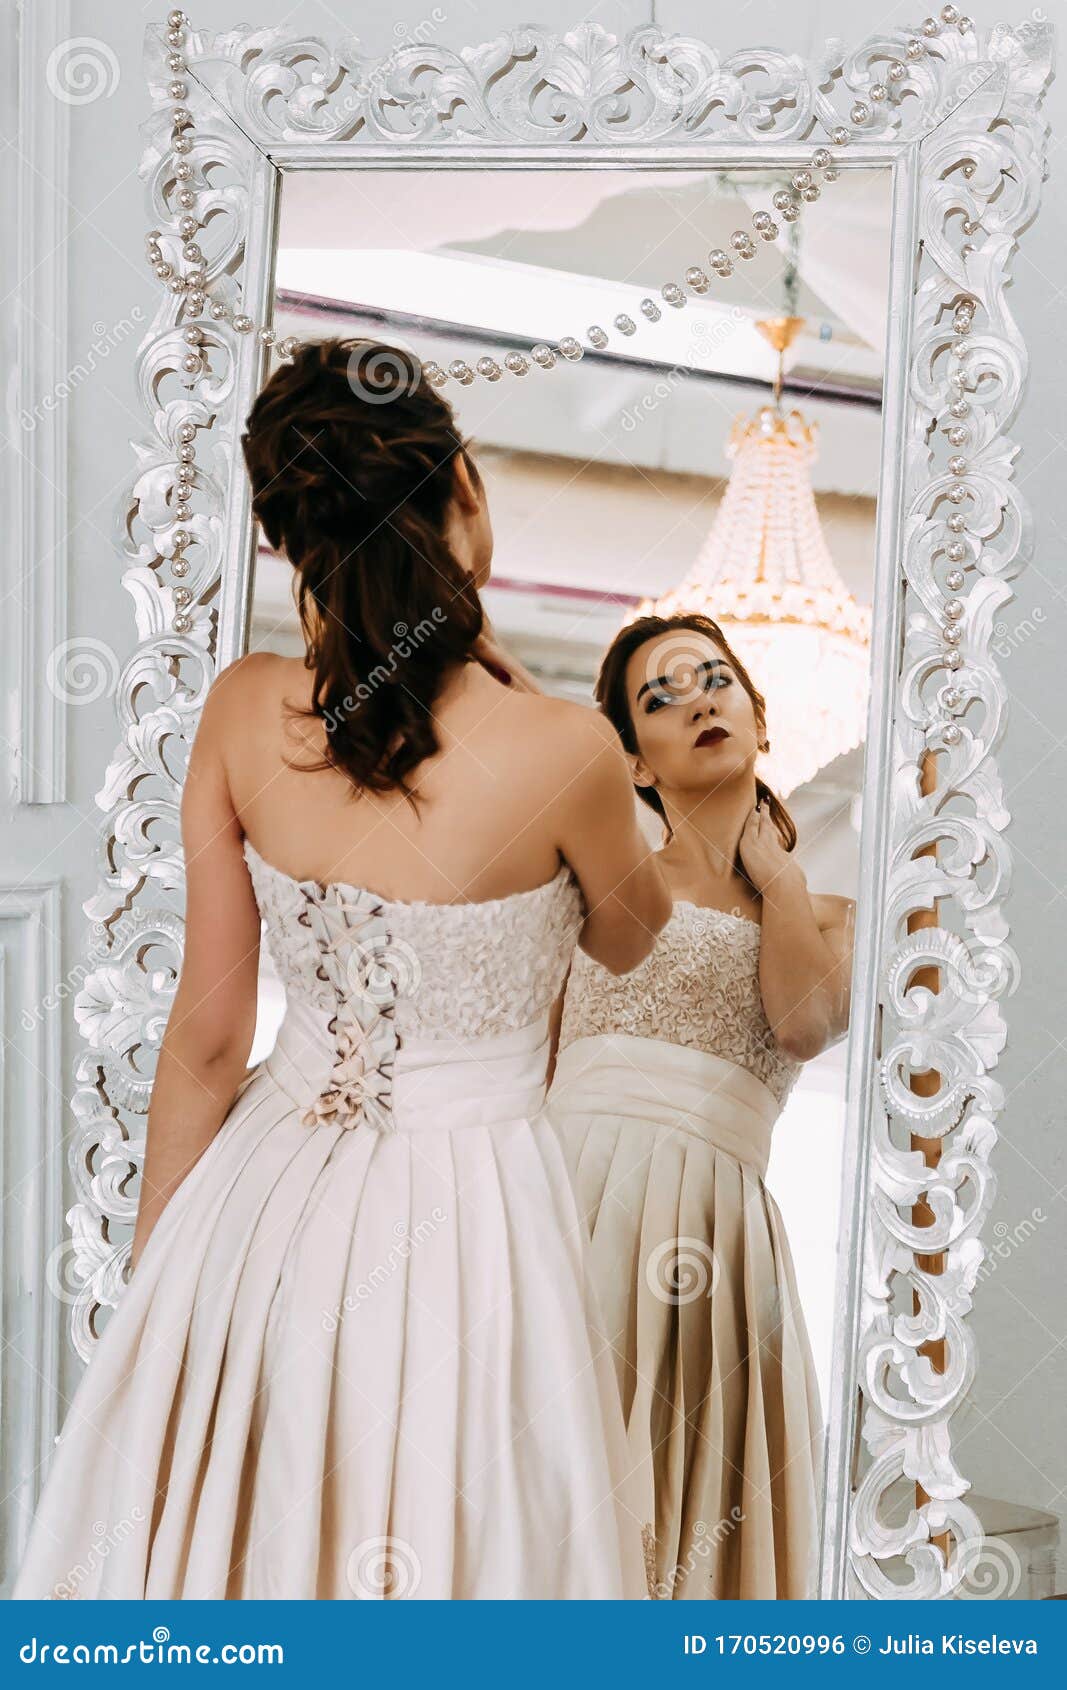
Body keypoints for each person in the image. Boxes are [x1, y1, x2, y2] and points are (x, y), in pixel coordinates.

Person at [14, 339, 671, 1601]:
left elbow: (206, 1047)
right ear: (461, 493)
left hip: (260, 1205)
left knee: (248, 1547)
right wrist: (536, 703)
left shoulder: (237, 708)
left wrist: (161, 1297)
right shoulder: (564, 749)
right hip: (475, 1219)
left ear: (291, 538)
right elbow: (628, 935)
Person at [546, 612, 854, 1600]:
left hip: (715, 1235)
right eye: (658, 697)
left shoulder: (828, 916)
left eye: (714, 678)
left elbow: (803, 1024)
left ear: (759, 716)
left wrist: (778, 877)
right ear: (638, 764)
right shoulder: (602, 885)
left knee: (690, 1531)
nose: (696, 701)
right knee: (559, 1496)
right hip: (568, 1206)